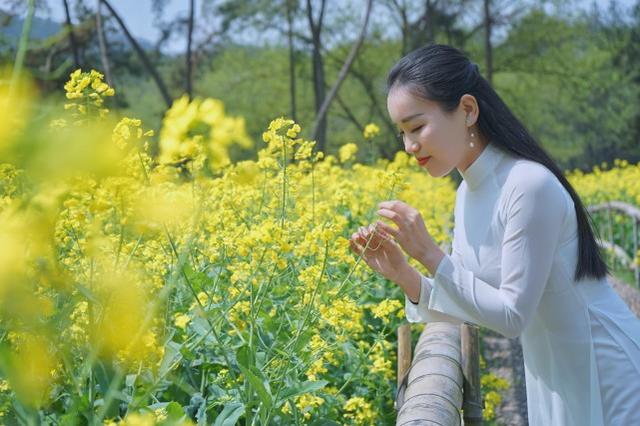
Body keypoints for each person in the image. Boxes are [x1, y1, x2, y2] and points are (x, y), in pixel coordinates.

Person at [349, 44, 640, 425]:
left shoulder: (528, 185)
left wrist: (430, 254)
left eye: (417, 126)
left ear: (467, 110)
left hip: (605, 367)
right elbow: (472, 303)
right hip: (553, 372)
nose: (409, 146)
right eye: (402, 132)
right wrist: (404, 274)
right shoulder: (465, 195)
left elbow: (511, 316)